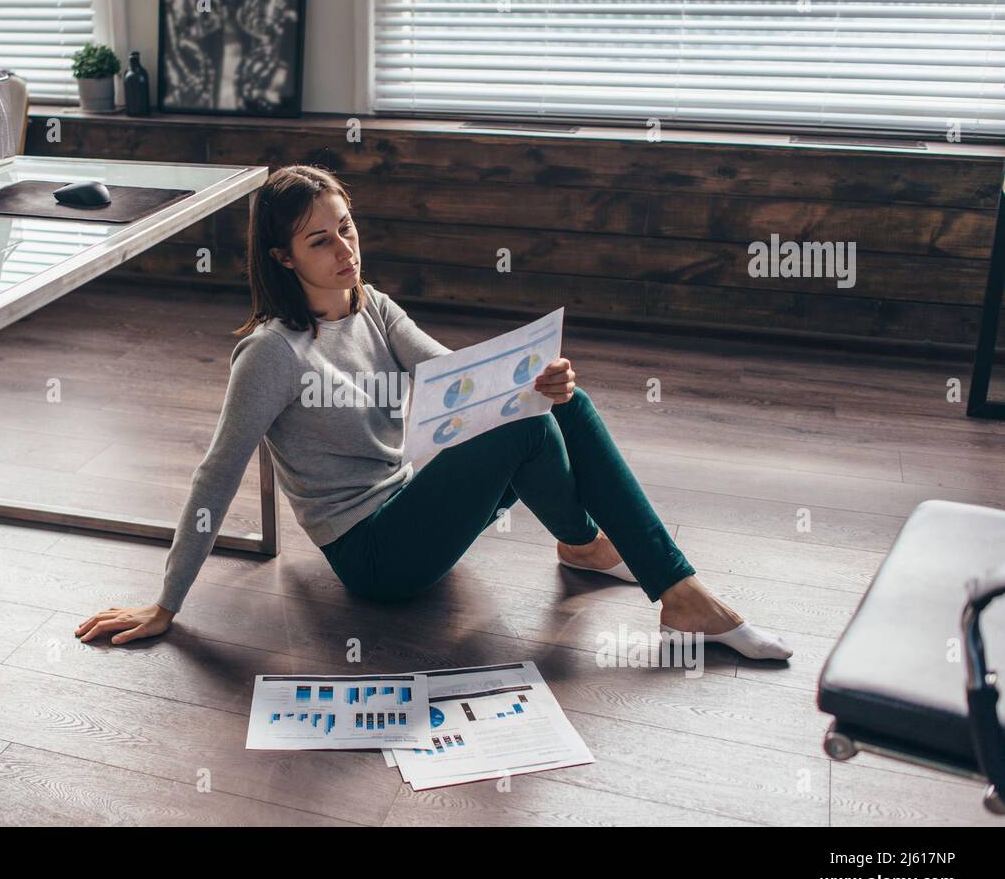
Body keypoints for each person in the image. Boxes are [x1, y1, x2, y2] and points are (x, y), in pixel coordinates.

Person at [77, 165, 793, 661]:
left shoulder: (373, 306)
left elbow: (459, 378)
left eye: (346, 228)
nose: (343, 249)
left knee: (560, 402)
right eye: (319, 240)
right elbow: (216, 474)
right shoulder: (272, 355)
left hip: (415, 503)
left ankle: (605, 555)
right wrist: (165, 602)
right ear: (283, 257)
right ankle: (666, 584)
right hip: (375, 556)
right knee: (527, 421)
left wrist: (535, 377)